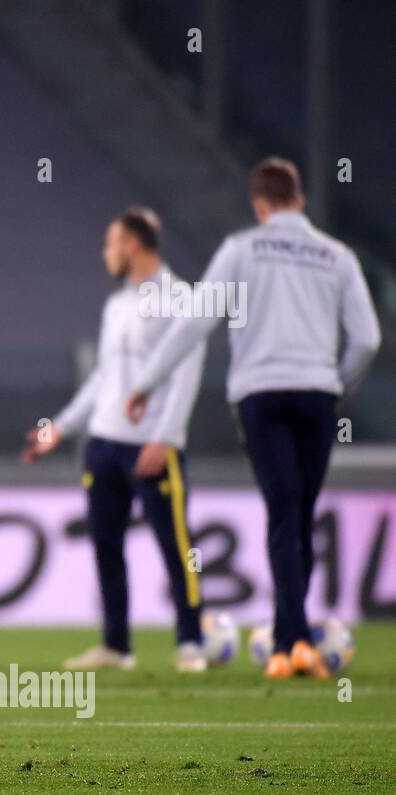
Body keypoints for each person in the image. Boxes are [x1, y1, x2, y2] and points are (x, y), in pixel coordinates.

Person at [126, 158, 381, 679]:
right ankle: (295, 638)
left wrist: (146, 382)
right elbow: (369, 339)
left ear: (259, 205)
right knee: (300, 514)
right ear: (300, 200)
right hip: (315, 395)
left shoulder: (242, 249)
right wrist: (337, 384)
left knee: (283, 510)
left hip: (261, 396)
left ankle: (289, 644)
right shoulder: (337, 255)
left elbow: (195, 324)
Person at [24, 209, 208, 672]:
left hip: (152, 444)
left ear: (133, 246)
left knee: (175, 543)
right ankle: (116, 646)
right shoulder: (118, 305)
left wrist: (165, 437)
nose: (105, 253)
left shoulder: (179, 298)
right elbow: (105, 379)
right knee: (107, 544)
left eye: (111, 244)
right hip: (104, 442)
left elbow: (187, 375)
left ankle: (191, 642)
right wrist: (60, 428)